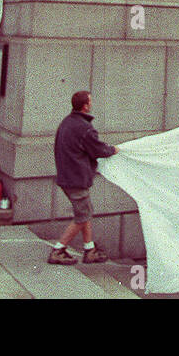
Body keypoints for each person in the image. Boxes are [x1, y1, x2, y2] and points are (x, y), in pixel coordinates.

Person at [48, 91, 118, 265]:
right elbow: (98, 150)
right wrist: (113, 150)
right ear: (86, 106)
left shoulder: (67, 122)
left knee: (85, 212)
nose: (92, 103)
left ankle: (89, 250)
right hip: (76, 179)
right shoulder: (84, 127)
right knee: (82, 215)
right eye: (90, 101)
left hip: (67, 176)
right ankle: (58, 250)